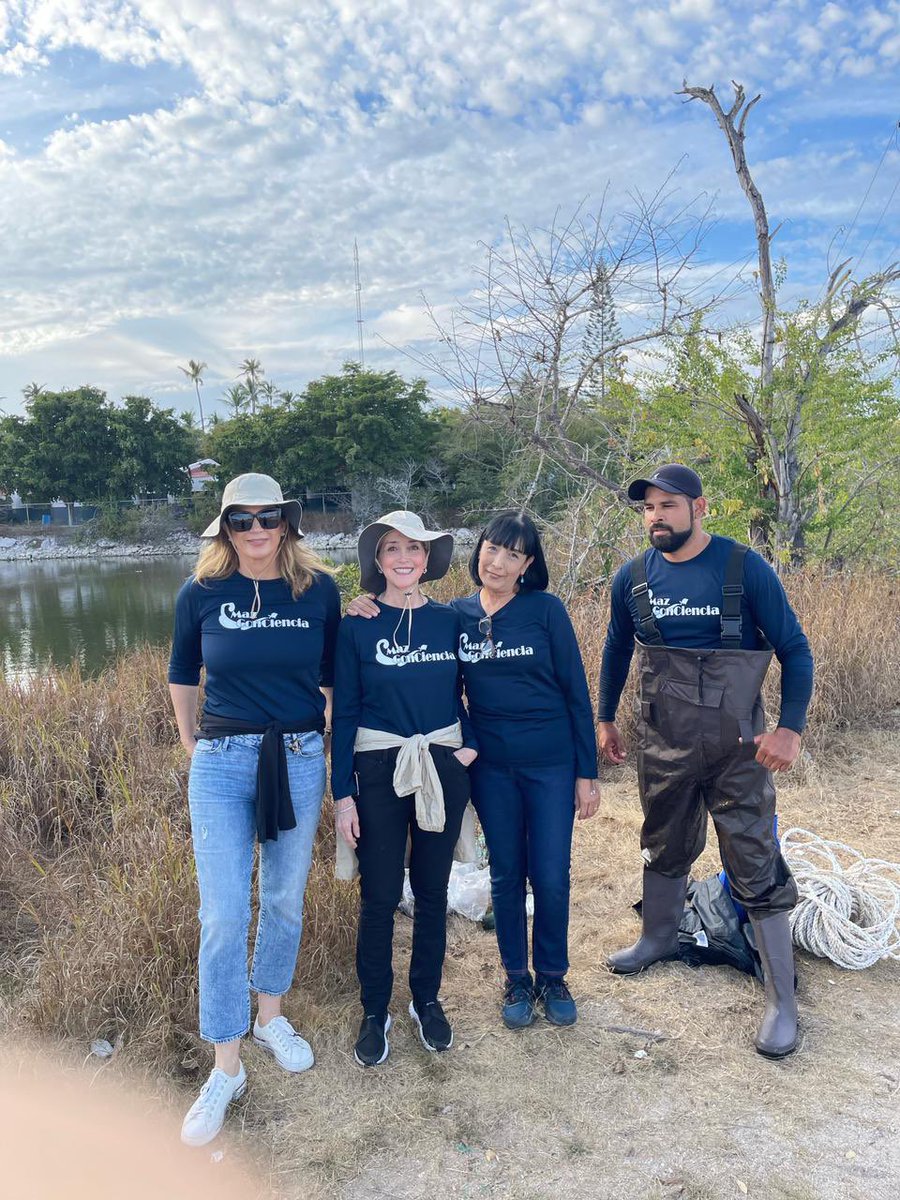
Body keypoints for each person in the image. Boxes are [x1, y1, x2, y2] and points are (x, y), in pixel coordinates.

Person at [345, 509, 600, 1030]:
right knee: (506, 872)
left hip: (550, 761)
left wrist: (586, 772)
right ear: (476, 549)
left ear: (528, 564)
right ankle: (516, 976)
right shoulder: (457, 615)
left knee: (550, 874)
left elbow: (577, 692)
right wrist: (360, 603)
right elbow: (441, 685)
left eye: (513, 554)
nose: (499, 562)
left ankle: (553, 974)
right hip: (489, 769)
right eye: (492, 548)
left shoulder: (545, 611)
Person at [599, 464, 814, 1058]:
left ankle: (782, 998)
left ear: (701, 507)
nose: (656, 517)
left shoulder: (744, 569)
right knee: (663, 838)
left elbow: (795, 650)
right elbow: (618, 648)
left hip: (739, 748)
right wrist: (606, 716)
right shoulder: (633, 577)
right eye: (648, 508)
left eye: (668, 505)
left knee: (751, 855)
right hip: (662, 742)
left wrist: (790, 730)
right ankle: (657, 938)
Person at [168, 473, 340, 1145]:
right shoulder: (200, 593)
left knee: (285, 897)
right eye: (243, 520)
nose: (258, 529)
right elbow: (184, 672)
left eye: (270, 517)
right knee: (222, 913)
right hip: (222, 763)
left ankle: (270, 1015)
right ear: (226, 528)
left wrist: (320, 731)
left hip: (296, 758)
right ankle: (227, 1064)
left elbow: (332, 670)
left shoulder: (317, 590)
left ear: (288, 523)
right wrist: (192, 745)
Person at [331, 511, 478, 1067]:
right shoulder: (356, 625)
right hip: (375, 770)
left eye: (414, 549)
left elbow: (481, 689)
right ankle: (375, 1010)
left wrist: (469, 749)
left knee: (433, 890)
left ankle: (426, 999)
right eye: (392, 548)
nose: (403, 558)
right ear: (378, 560)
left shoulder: (451, 621)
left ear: (427, 560)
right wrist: (341, 794)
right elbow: (343, 712)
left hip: (443, 766)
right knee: (380, 895)